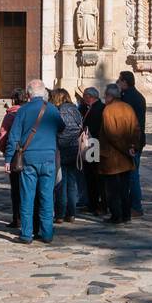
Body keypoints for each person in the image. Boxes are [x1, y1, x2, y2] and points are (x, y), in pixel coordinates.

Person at [4, 79, 65, 245]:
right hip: (48, 158)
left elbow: (14, 136)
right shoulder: (52, 109)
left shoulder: (23, 111)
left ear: (29, 94)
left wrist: (9, 158)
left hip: (29, 158)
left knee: (27, 196)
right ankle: (46, 233)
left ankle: (26, 233)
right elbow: (62, 127)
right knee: (46, 197)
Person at [98, 83, 141, 226]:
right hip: (126, 155)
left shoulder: (108, 110)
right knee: (124, 188)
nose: (105, 98)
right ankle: (126, 214)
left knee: (113, 190)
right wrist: (133, 146)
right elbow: (136, 129)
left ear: (110, 96)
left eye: (106, 95)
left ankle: (116, 216)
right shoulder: (128, 108)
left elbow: (112, 134)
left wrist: (125, 148)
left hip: (112, 157)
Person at [118, 71, 148, 216]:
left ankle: (136, 206)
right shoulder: (137, 96)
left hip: (132, 141)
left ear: (125, 82)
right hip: (138, 140)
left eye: (119, 80)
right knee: (133, 173)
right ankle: (133, 204)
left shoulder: (128, 98)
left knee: (132, 174)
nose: (118, 83)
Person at [51, 88, 83, 223]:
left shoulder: (57, 111)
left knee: (61, 184)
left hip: (62, 150)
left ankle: (60, 214)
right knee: (71, 183)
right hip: (75, 150)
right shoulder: (76, 110)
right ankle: (71, 214)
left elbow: (56, 129)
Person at [0, 88, 26, 228]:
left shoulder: (10, 115)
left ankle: (18, 218)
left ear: (13, 100)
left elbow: (3, 137)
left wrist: (5, 153)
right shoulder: (30, 112)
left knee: (16, 189)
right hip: (30, 154)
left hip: (16, 156)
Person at [82, 86, 106, 215]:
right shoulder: (95, 107)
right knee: (93, 177)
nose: (83, 98)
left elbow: (93, 128)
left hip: (93, 145)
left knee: (93, 177)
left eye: (85, 96)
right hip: (94, 144)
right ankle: (94, 204)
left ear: (90, 96)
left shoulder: (96, 109)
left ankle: (95, 204)